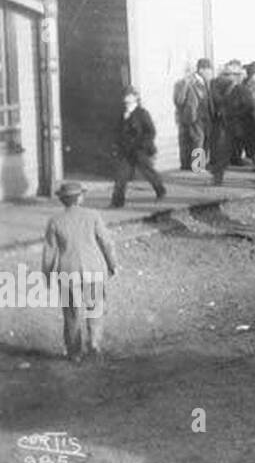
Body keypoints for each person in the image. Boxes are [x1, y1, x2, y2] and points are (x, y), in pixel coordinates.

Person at [41, 181, 118, 361]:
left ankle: (74, 352)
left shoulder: (55, 221)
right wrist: (112, 264)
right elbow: (106, 243)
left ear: (62, 200)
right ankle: (94, 344)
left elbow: (49, 251)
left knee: (71, 313)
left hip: (68, 271)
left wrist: (47, 275)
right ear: (80, 198)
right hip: (93, 269)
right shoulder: (93, 216)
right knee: (95, 308)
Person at [110, 87, 166, 208]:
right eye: (125, 96)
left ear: (135, 98)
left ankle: (160, 190)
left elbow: (151, 131)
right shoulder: (122, 114)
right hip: (126, 151)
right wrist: (117, 145)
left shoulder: (142, 113)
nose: (126, 98)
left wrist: (143, 145)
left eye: (129, 96)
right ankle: (117, 202)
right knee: (121, 176)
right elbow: (118, 131)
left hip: (140, 150)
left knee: (148, 172)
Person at [173, 59, 212, 171]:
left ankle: (193, 164)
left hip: (204, 116)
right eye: (208, 70)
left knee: (201, 140)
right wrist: (185, 83)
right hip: (193, 116)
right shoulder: (186, 82)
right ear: (201, 70)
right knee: (198, 140)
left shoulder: (206, 82)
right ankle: (197, 166)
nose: (210, 73)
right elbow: (179, 100)